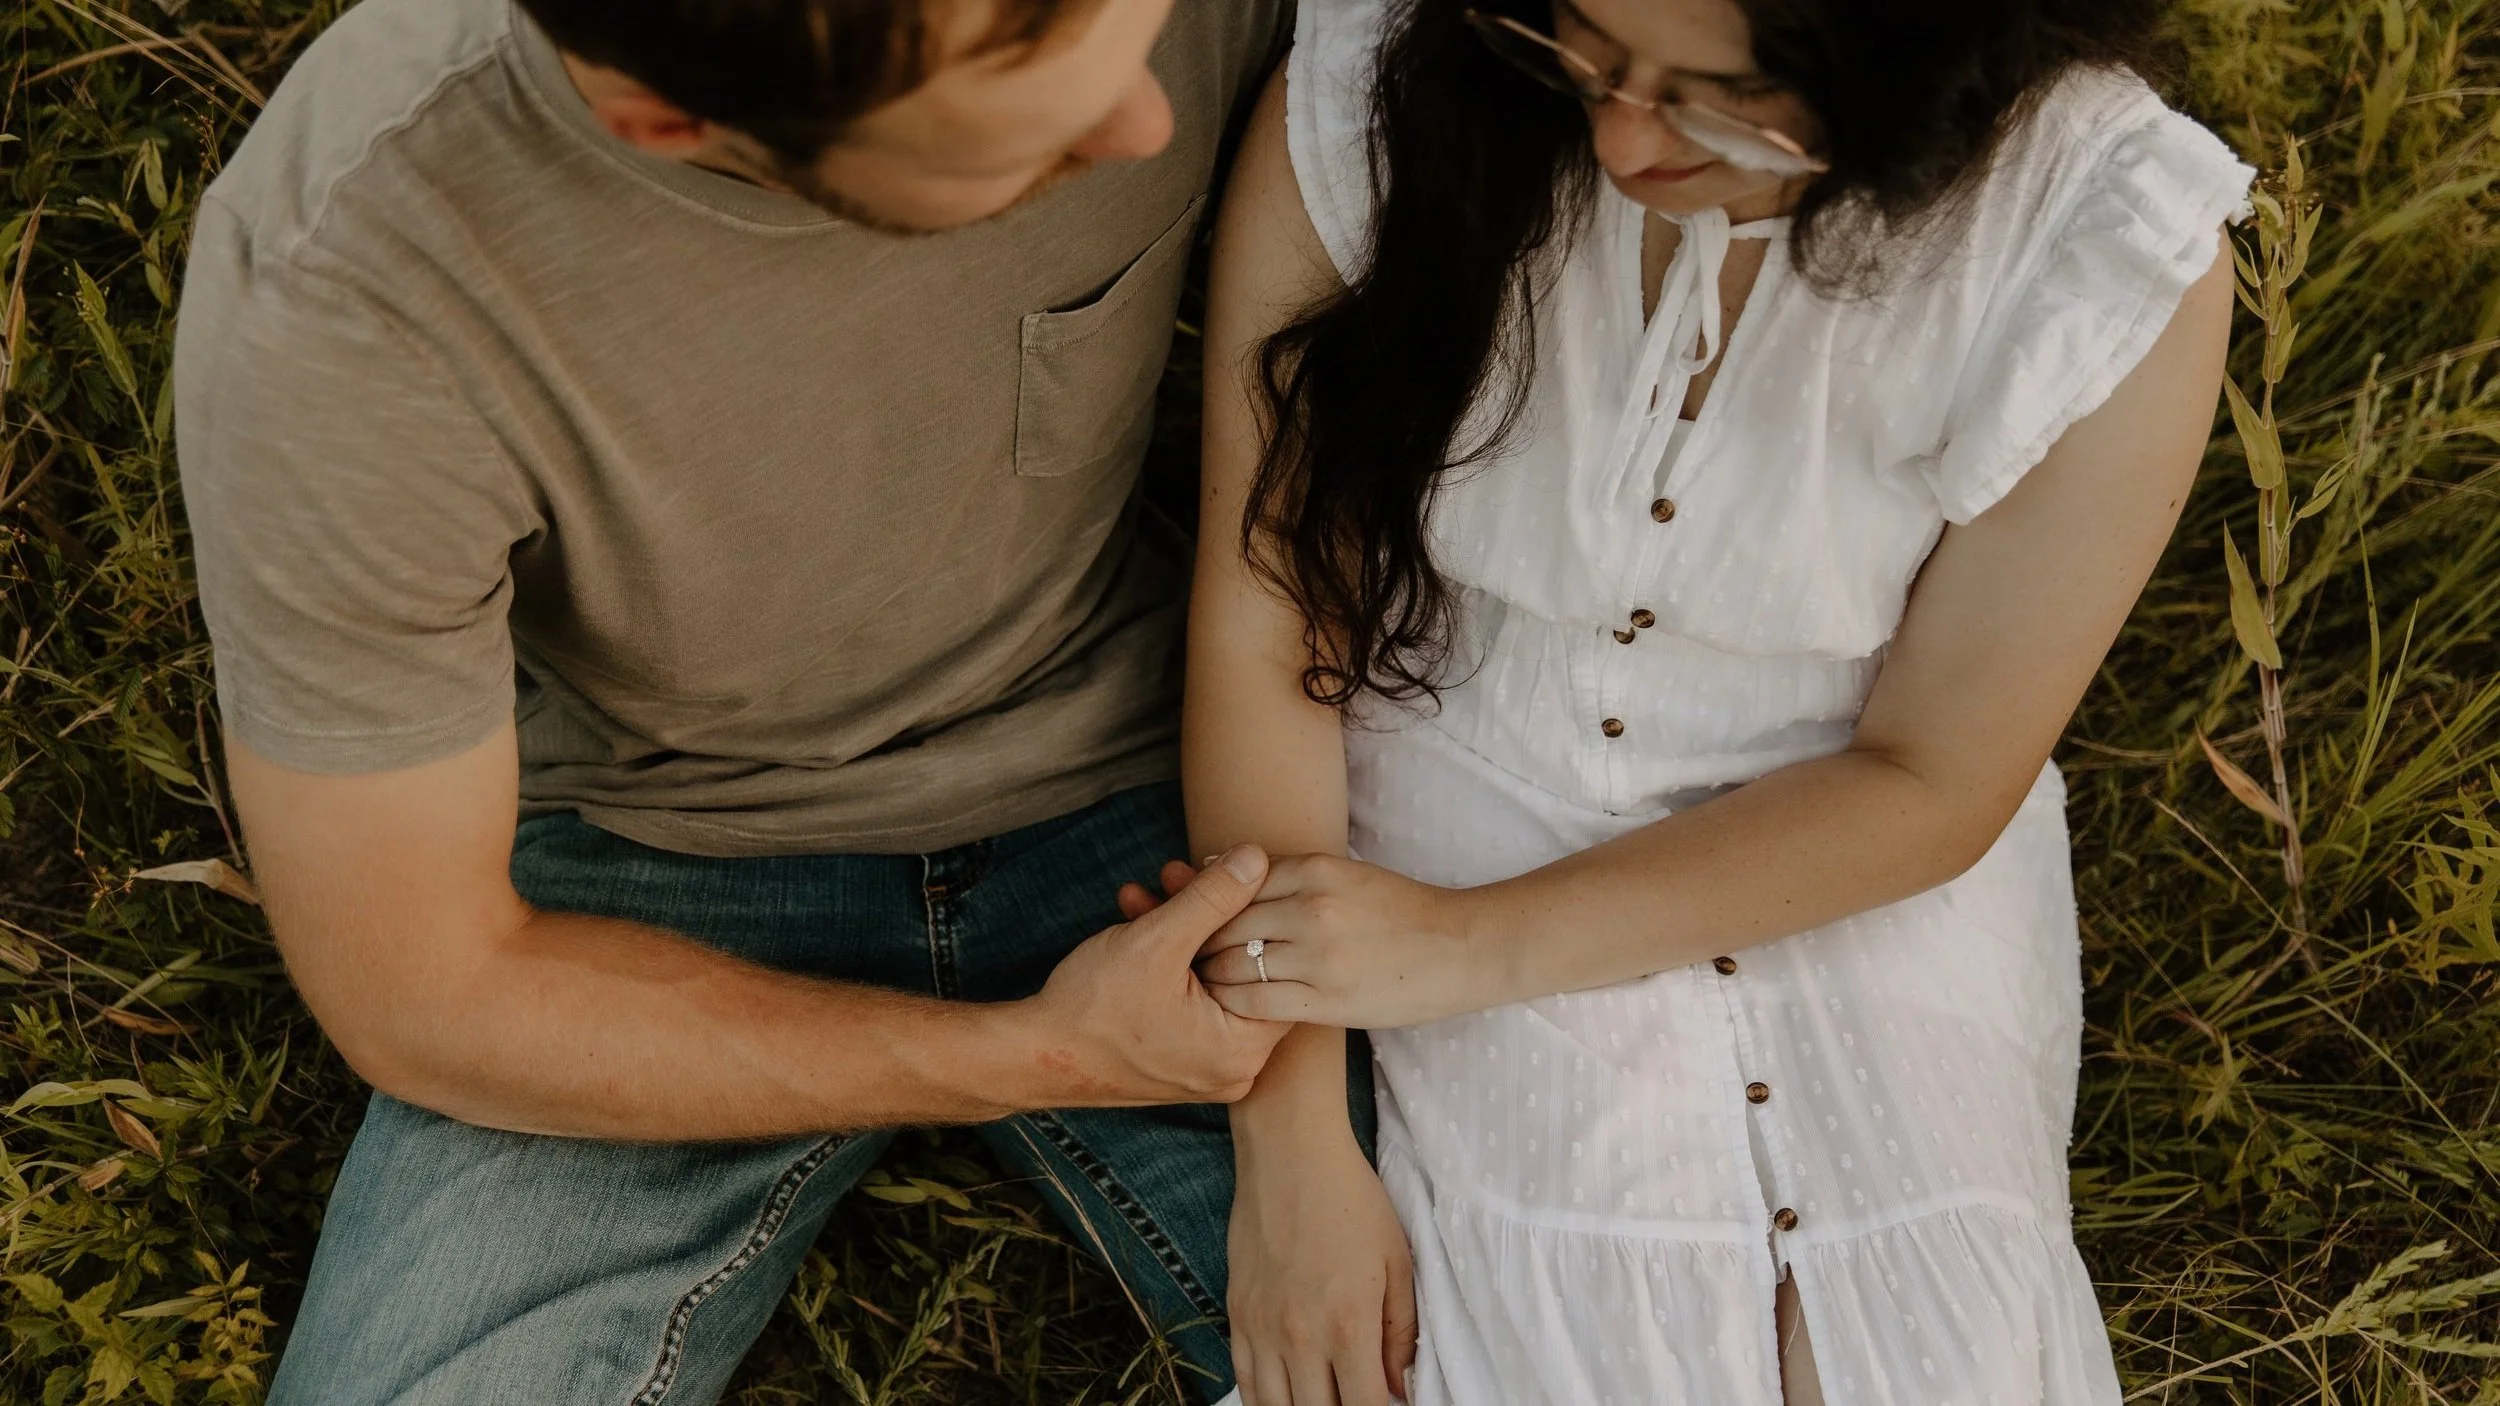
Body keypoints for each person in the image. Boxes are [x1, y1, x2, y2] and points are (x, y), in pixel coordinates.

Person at [170, 0, 1339, 1401]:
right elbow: (432, 987)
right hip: (658, 867)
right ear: (667, 121)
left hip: (1164, 767)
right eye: (1033, 129)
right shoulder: (350, 297)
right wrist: (1039, 1052)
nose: (1147, 123)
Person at [1183, 0, 2254, 1401]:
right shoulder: (1378, 89)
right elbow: (1270, 621)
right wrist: (1298, 1147)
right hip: (1454, 783)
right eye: (1583, 39)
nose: (1623, 134)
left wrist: (1467, 949)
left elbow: (1932, 774)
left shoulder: (2099, 239)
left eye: (1721, 96)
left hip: (1855, 846)